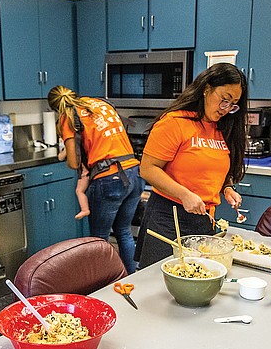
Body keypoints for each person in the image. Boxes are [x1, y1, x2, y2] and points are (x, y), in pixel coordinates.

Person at [134, 62, 247, 269]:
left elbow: (211, 167)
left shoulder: (221, 127)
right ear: (206, 89)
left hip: (203, 220)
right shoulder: (175, 122)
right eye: (224, 99)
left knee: (200, 278)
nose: (226, 109)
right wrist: (184, 194)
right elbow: (148, 169)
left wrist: (227, 187)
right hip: (168, 218)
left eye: (233, 104)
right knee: (159, 281)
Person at [47, 86, 142, 273]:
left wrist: (70, 155)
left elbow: (73, 163)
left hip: (110, 179)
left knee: (98, 239)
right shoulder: (98, 103)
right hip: (134, 172)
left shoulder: (68, 115)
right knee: (124, 232)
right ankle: (131, 279)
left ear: (56, 108)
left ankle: (103, 283)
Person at [57, 143, 90, 219]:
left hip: (85, 173)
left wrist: (65, 148)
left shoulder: (71, 142)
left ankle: (85, 209)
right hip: (95, 169)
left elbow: (60, 157)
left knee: (79, 191)